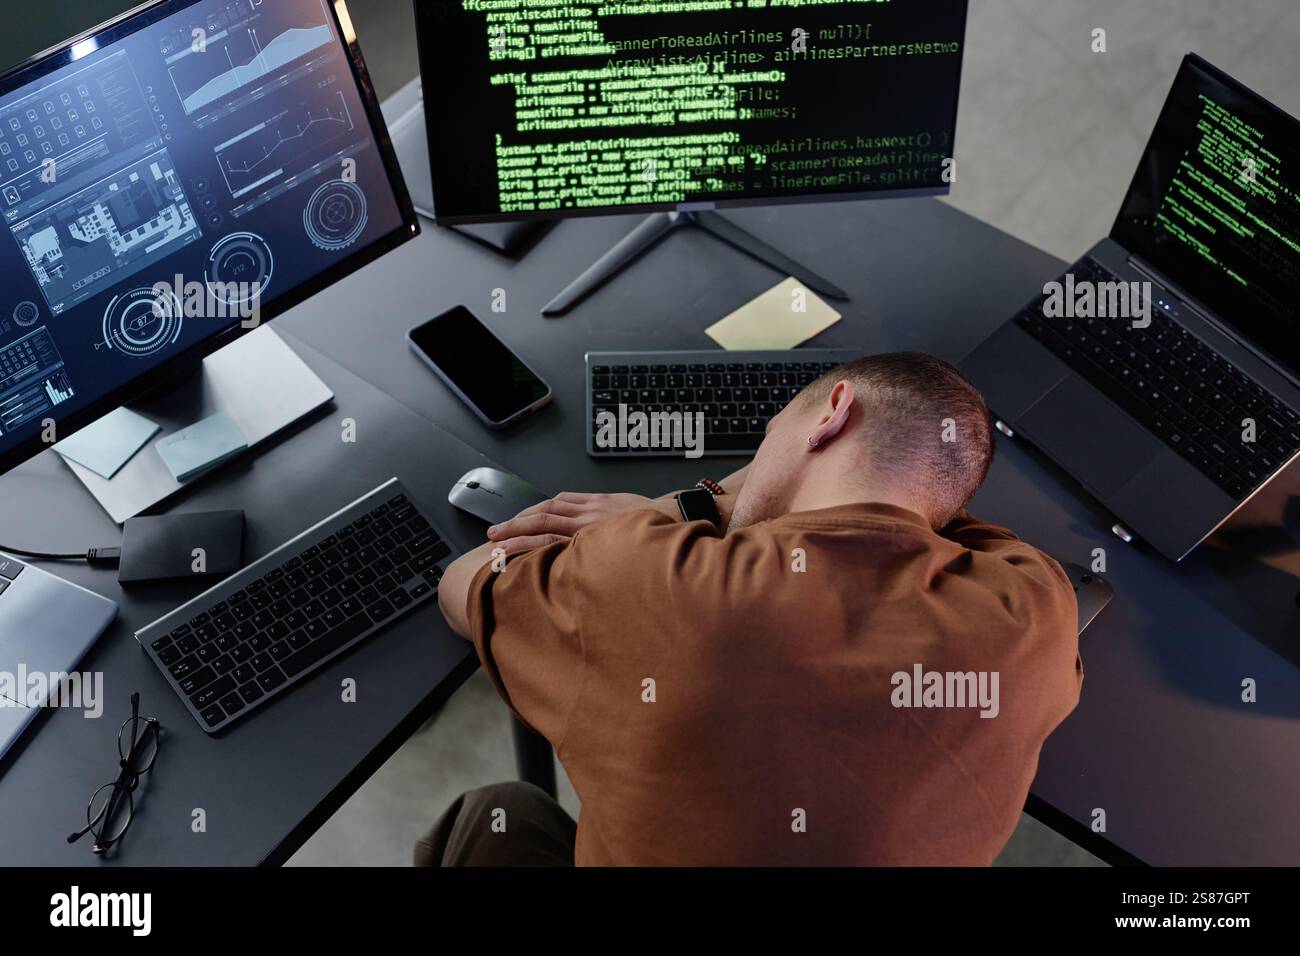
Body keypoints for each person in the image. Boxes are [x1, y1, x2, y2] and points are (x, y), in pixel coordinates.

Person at [423, 352, 1083, 866]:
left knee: (492, 815)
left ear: (832, 412)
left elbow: (463, 582)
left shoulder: (652, 579)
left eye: (770, 433)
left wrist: (684, 508)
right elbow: (929, 500)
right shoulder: (1035, 613)